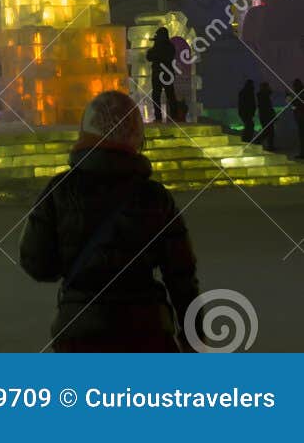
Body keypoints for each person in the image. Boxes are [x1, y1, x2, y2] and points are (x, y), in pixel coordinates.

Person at [20, 90, 199, 351]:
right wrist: (194, 333)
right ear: (135, 138)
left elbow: (37, 264)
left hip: (81, 330)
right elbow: (181, 275)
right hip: (146, 330)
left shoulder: (60, 191)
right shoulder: (154, 197)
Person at [146, 26, 178, 121]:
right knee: (157, 95)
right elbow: (149, 56)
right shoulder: (163, 46)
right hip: (159, 74)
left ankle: (173, 116)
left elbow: (164, 57)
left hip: (165, 74)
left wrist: (157, 52)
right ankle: (159, 116)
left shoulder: (169, 47)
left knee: (169, 95)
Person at [256, 82, 278, 152]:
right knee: (268, 131)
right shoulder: (263, 96)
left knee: (268, 131)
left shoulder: (262, 95)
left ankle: (267, 145)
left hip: (265, 116)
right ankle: (258, 143)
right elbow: (268, 107)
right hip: (267, 116)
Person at [237, 78, 257, 143]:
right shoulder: (248, 92)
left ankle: (246, 140)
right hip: (247, 113)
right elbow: (249, 103)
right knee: (249, 126)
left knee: (249, 125)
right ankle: (246, 140)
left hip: (246, 112)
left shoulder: (245, 91)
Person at [289, 79, 304, 161]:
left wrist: (291, 101)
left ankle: (302, 153)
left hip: (301, 118)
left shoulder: (299, 94)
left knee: (302, 135)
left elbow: (296, 105)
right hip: (300, 117)